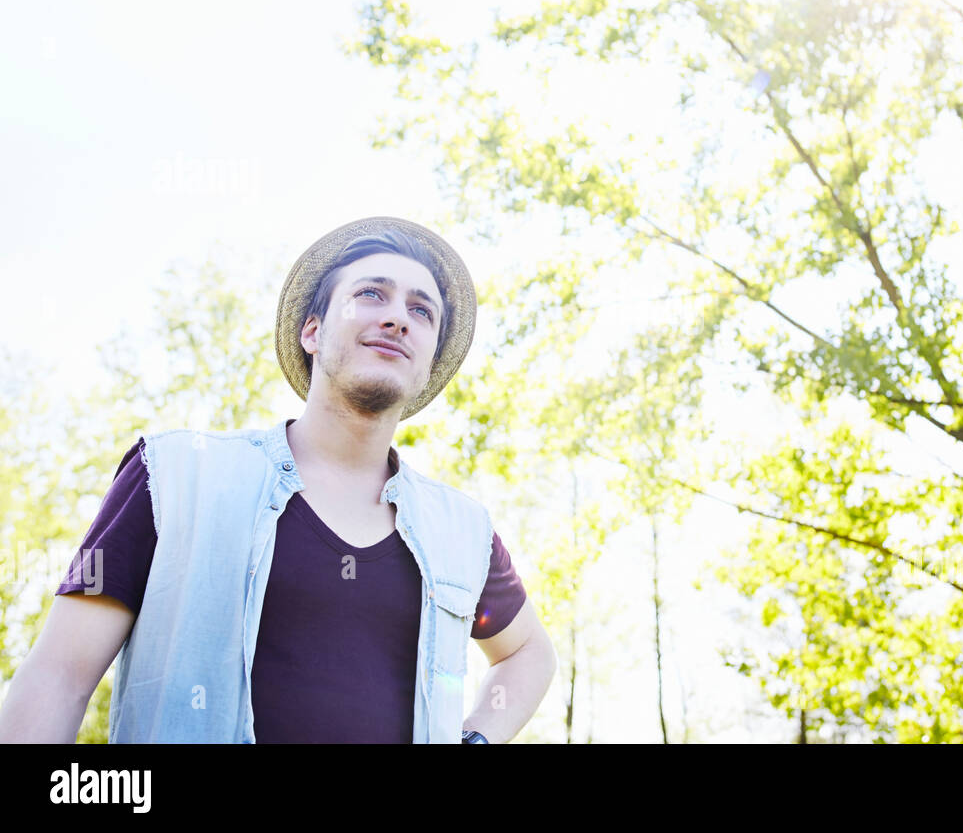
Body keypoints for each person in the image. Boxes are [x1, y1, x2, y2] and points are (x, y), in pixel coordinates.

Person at [0, 216, 556, 743]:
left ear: (430, 357)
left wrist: (477, 735)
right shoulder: (174, 476)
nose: (398, 317)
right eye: (371, 294)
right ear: (311, 331)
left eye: (422, 310)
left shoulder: (463, 531)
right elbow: (58, 678)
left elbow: (528, 652)